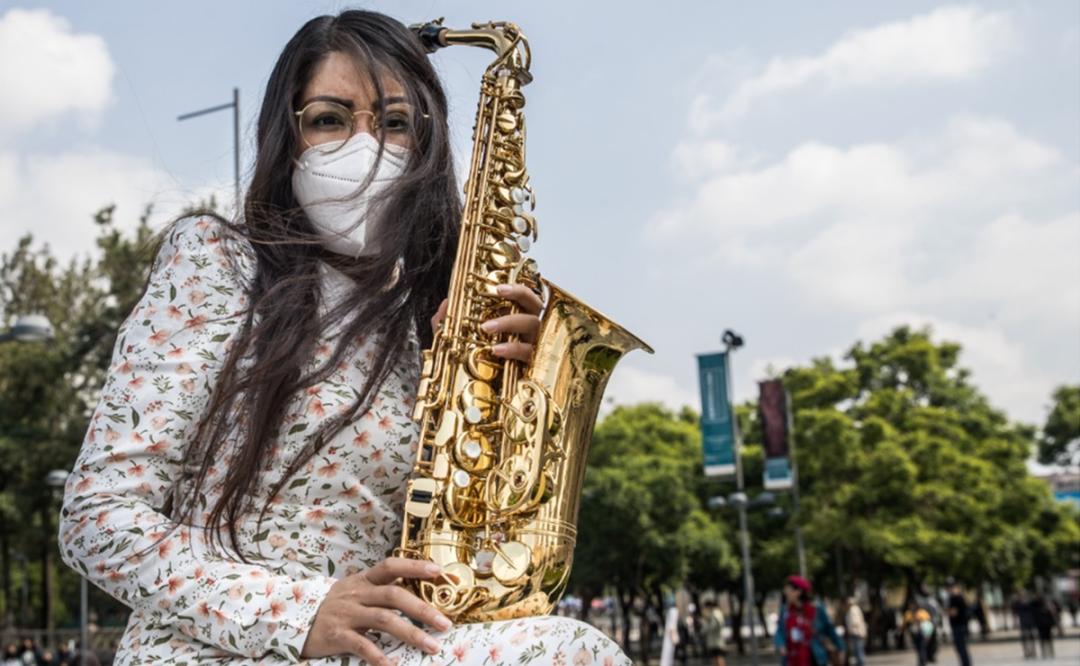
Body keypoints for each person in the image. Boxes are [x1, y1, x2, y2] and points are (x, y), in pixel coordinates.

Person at [57, 9, 629, 666]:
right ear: (287, 135)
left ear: (427, 145)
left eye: (393, 124)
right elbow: (98, 518)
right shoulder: (215, 262)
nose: (365, 146)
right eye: (330, 119)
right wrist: (297, 612)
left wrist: (517, 399)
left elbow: (469, 559)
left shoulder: (431, 323)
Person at [775, 575, 844, 666]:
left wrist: (840, 648)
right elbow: (780, 630)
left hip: (815, 657)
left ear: (798, 592)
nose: (785, 593)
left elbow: (829, 629)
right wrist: (781, 644)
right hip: (792, 659)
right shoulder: (785, 611)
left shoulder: (816, 609)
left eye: (788, 590)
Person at [945, 580, 972, 666]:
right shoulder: (959, 597)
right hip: (960, 626)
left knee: (961, 648)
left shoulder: (956, 598)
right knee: (961, 648)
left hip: (959, 627)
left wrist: (947, 611)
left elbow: (953, 613)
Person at [902, 599, 934, 666]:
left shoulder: (922, 612)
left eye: (913, 605)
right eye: (910, 605)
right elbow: (905, 624)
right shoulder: (908, 613)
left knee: (922, 648)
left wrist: (928, 633)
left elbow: (928, 623)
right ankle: (921, 662)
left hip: (922, 633)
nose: (912, 607)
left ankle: (923, 662)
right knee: (918, 648)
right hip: (914, 634)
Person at [701, 599, 727, 666]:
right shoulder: (715, 613)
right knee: (716, 658)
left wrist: (705, 629)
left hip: (716, 641)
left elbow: (714, 626)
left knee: (718, 658)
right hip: (715, 640)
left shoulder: (715, 613)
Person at [842, 597, 867, 666]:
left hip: (856, 633)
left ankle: (861, 664)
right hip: (856, 633)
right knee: (857, 651)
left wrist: (851, 629)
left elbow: (855, 622)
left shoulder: (853, 610)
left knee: (858, 651)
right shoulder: (852, 609)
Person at [1013, 590, 1037, 658]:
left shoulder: (1030, 602)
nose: (1022, 595)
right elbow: (1015, 613)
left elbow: (1034, 612)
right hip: (1023, 621)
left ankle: (1033, 651)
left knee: (1031, 636)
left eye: (1023, 594)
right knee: (1024, 637)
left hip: (1030, 621)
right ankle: (1026, 651)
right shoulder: (1017, 603)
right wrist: (1015, 622)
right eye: (1020, 594)